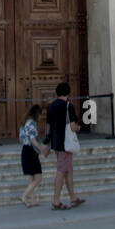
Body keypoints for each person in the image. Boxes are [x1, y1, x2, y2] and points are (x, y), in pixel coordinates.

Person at [46, 82, 85, 210]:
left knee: (68, 170)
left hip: (57, 143)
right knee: (61, 171)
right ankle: (56, 202)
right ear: (68, 93)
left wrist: (48, 144)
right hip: (65, 143)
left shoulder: (51, 107)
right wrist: (79, 128)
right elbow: (73, 126)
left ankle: (73, 198)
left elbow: (48, 127)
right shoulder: (68, 106)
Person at [18, 104, 50, 207]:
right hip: (31, 151)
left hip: (25, 150)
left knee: (32, 177)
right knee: (38, 177)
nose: (41, 117)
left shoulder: (23, 124)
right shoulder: (31, 123)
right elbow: (33, 140)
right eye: (40, 114)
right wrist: (42, 150)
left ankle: (33, 200)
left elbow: (20, 139)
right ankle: (24, 195)